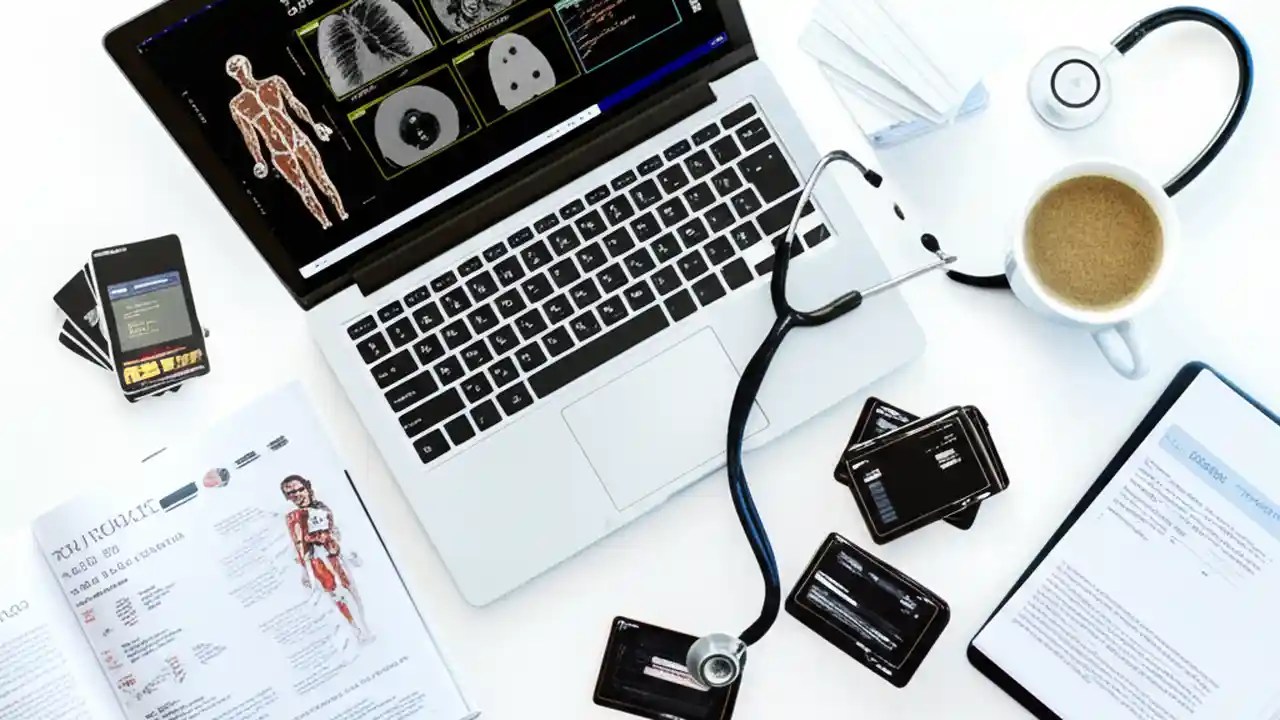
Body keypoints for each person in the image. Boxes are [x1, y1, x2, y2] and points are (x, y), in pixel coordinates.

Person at [226, 55, 349, 229]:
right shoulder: (238, 105)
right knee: (304, 190)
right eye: (233, 70)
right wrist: (259, 160)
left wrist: (314, 125)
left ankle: (343, 215)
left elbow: (294, 104)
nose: (238, 72)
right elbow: (249, 135)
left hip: (298, 140)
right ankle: (326, 224)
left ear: (248, 65)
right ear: (232, 76)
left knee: (322, 179)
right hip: (278, 152)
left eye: (239, 66)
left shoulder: (273, 83)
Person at [281, 475, 373, 643]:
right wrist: (304, 571)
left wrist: (347, 550)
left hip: (334, 557)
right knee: (337, 596)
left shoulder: (322, 509)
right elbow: (298, 545)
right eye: (292, 493)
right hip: (317, 563)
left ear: (308, 488)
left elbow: (337, 532)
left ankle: (365, 629)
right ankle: (358, 631)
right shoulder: (293, 517)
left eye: (300, 490)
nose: (297, 495)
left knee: (351, 592)